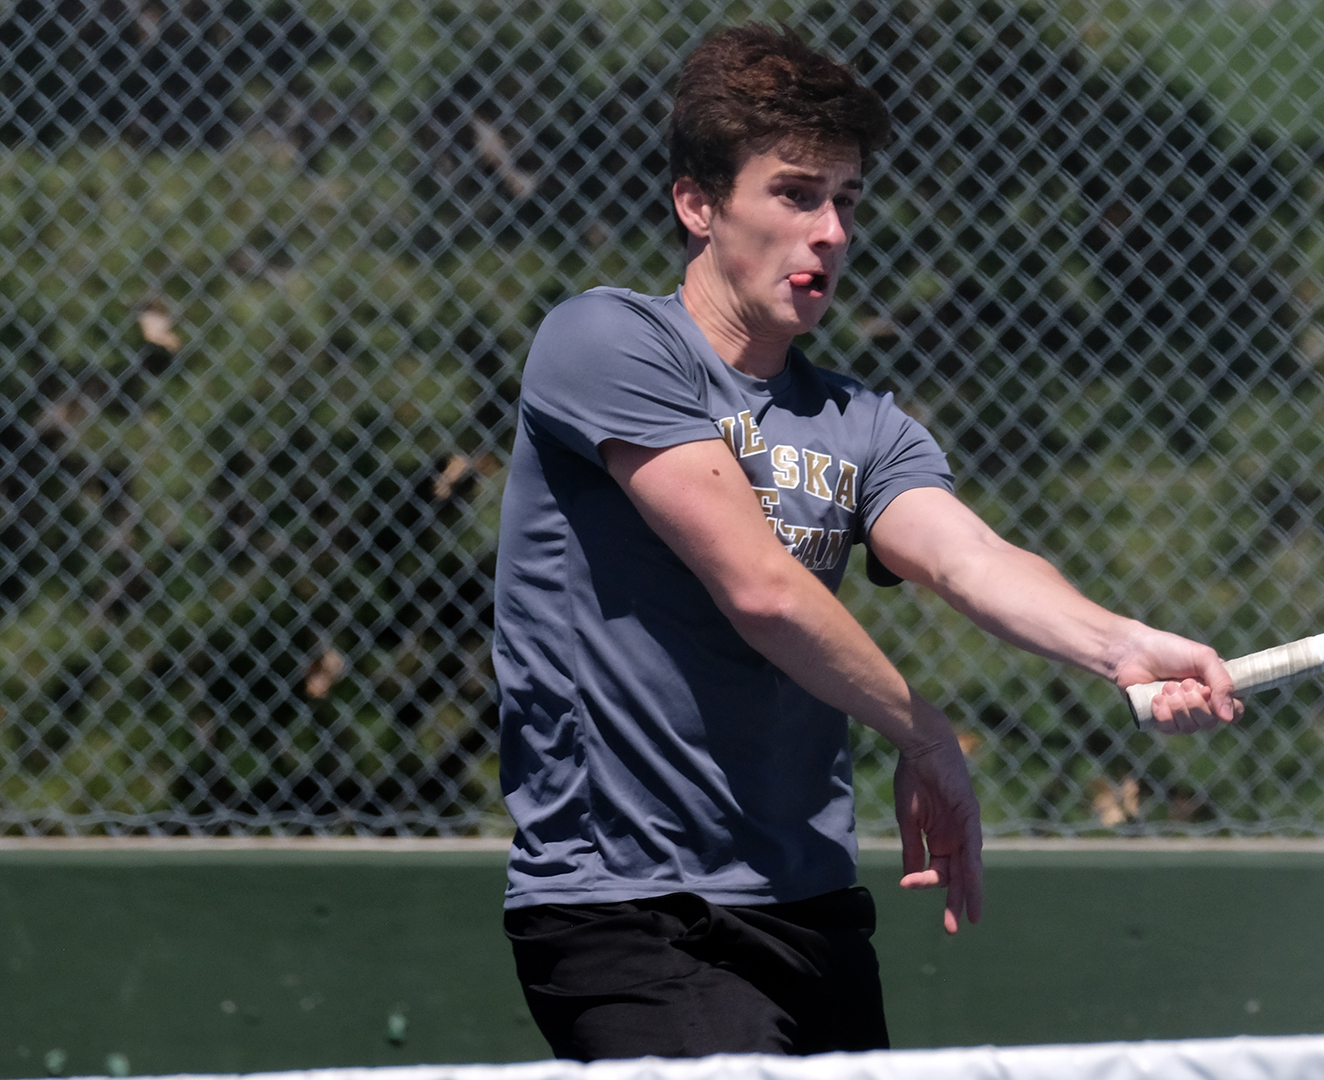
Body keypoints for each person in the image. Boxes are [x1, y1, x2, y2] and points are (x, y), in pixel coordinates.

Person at [491, 22, 1241, 1061]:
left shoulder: (861, 422)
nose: (833, 230)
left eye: (845, 199)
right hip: (632, 910)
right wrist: (926, 734)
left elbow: (968, 557)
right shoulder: (605, 343)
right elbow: (760, 588)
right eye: (797, 194)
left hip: (811, 909)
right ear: (698, 206)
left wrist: (1117, 644)